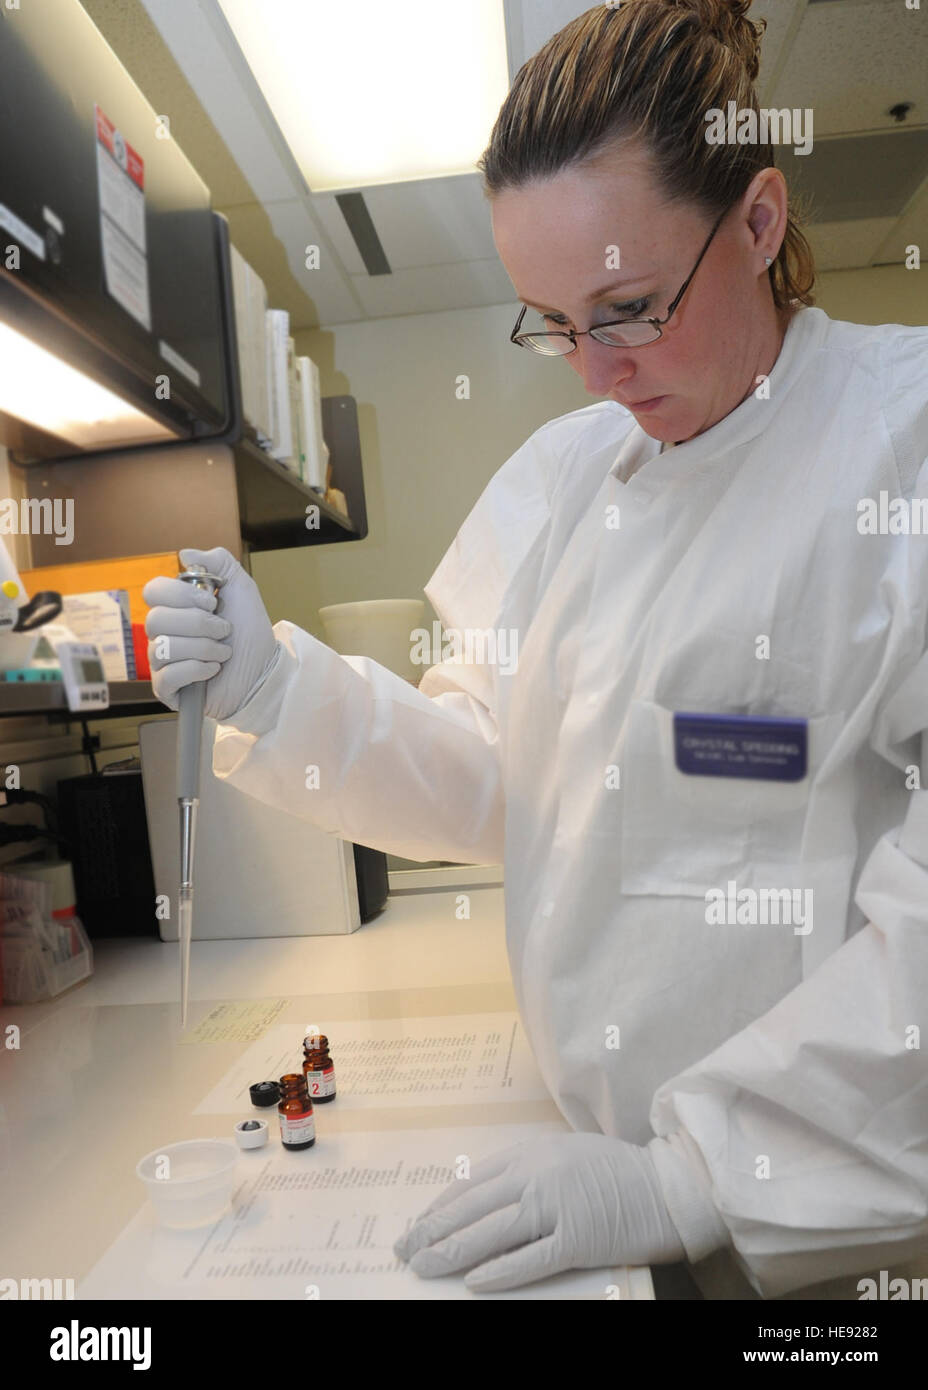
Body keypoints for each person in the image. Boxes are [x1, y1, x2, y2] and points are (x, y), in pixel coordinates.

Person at [144, 0, 928, 1300]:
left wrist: (698, 1174)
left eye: (627, 308)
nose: (592, 372)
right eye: (551, 322)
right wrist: (278, 688)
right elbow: (491, 773)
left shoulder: (899, 449)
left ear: (759, 220)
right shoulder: (572, 478)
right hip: (591, 1183)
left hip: (834, 1226)